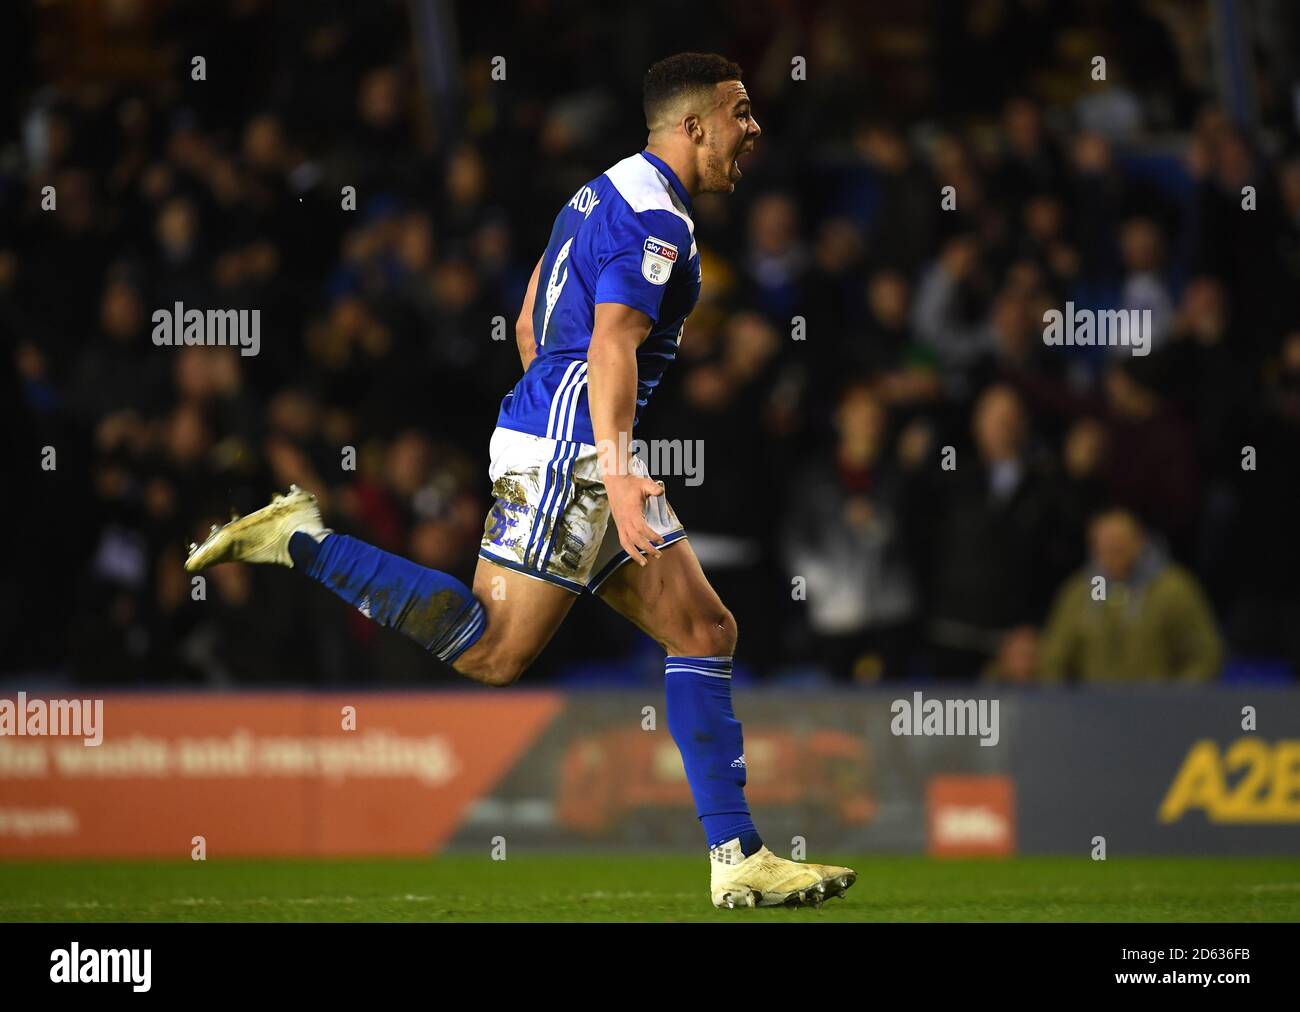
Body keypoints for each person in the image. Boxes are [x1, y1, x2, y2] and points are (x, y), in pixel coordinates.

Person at [184, 52, 854, 909]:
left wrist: (561, 421)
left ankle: (739, 856)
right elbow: (610, 342)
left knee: (703, 630)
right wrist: (602, 466)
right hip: (578, 448)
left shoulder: (601, 190)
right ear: (694, 127)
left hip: (569, 434)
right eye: (742, 114)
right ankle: (300, 540)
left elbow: (531, 314)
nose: (754, 130)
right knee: (497, 652)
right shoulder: (661, 222)